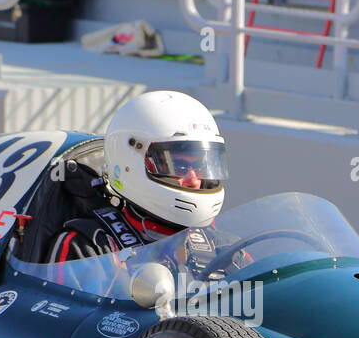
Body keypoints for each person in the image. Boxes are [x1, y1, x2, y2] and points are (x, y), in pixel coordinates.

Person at [45, 90, 229, 265]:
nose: (194, 180)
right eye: (178, 166)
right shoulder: (90, 246)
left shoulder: (224, 248)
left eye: (201, 166)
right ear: (130, 163)